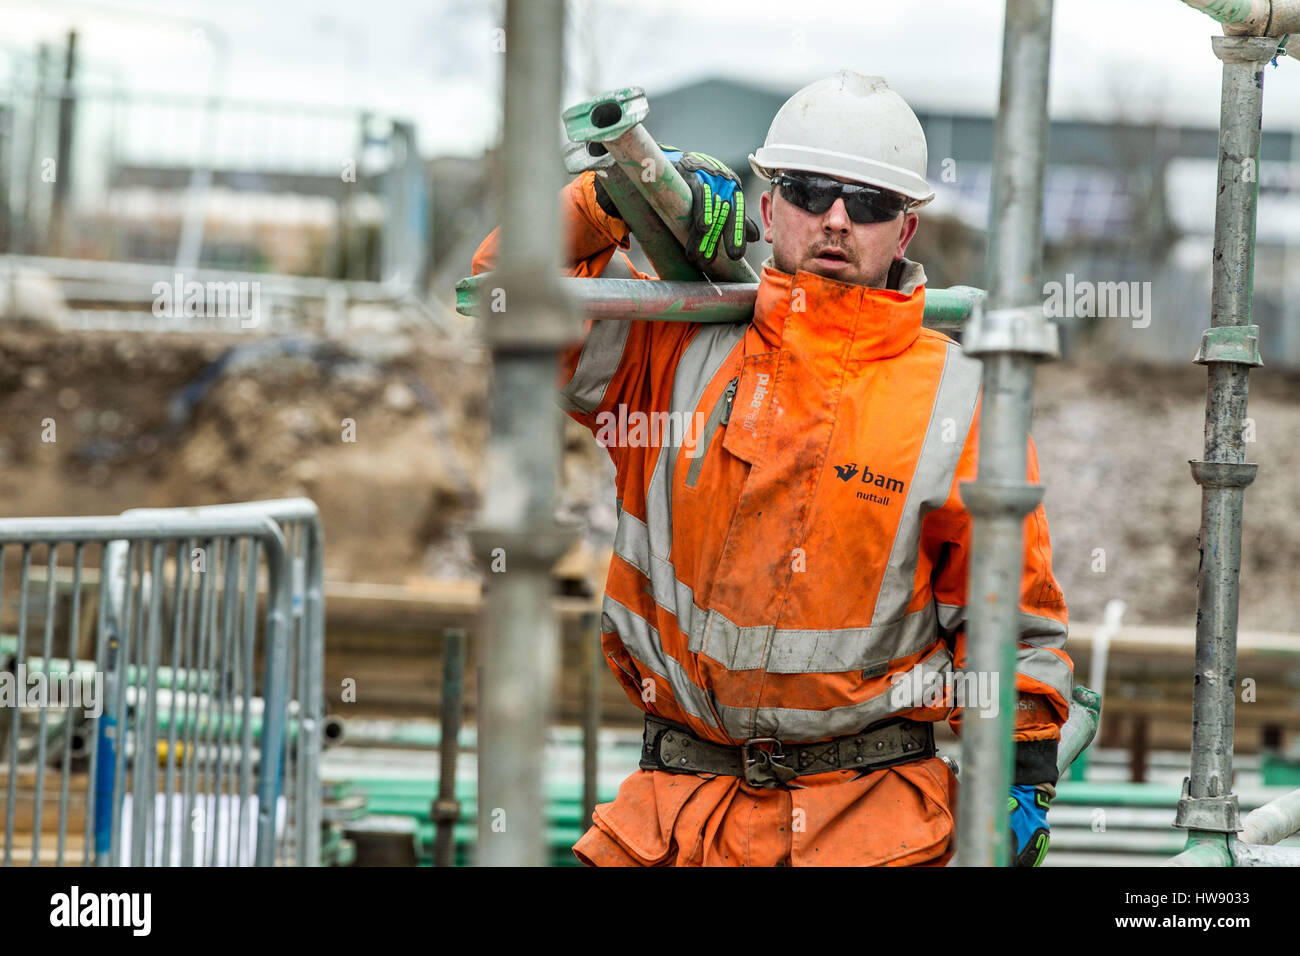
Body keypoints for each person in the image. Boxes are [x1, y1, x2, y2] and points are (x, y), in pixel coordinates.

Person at [471, 70, 1071, 867]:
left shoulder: (960, 399)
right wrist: (608, 200)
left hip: (869, 828)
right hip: (675, 820)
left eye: (869, 201)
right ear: (766, 205)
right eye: (811, 188)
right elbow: (502, 290)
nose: (834, 218)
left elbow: (1011, 625)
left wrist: (1021, 778)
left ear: (904, 231)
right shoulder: (672, 341)